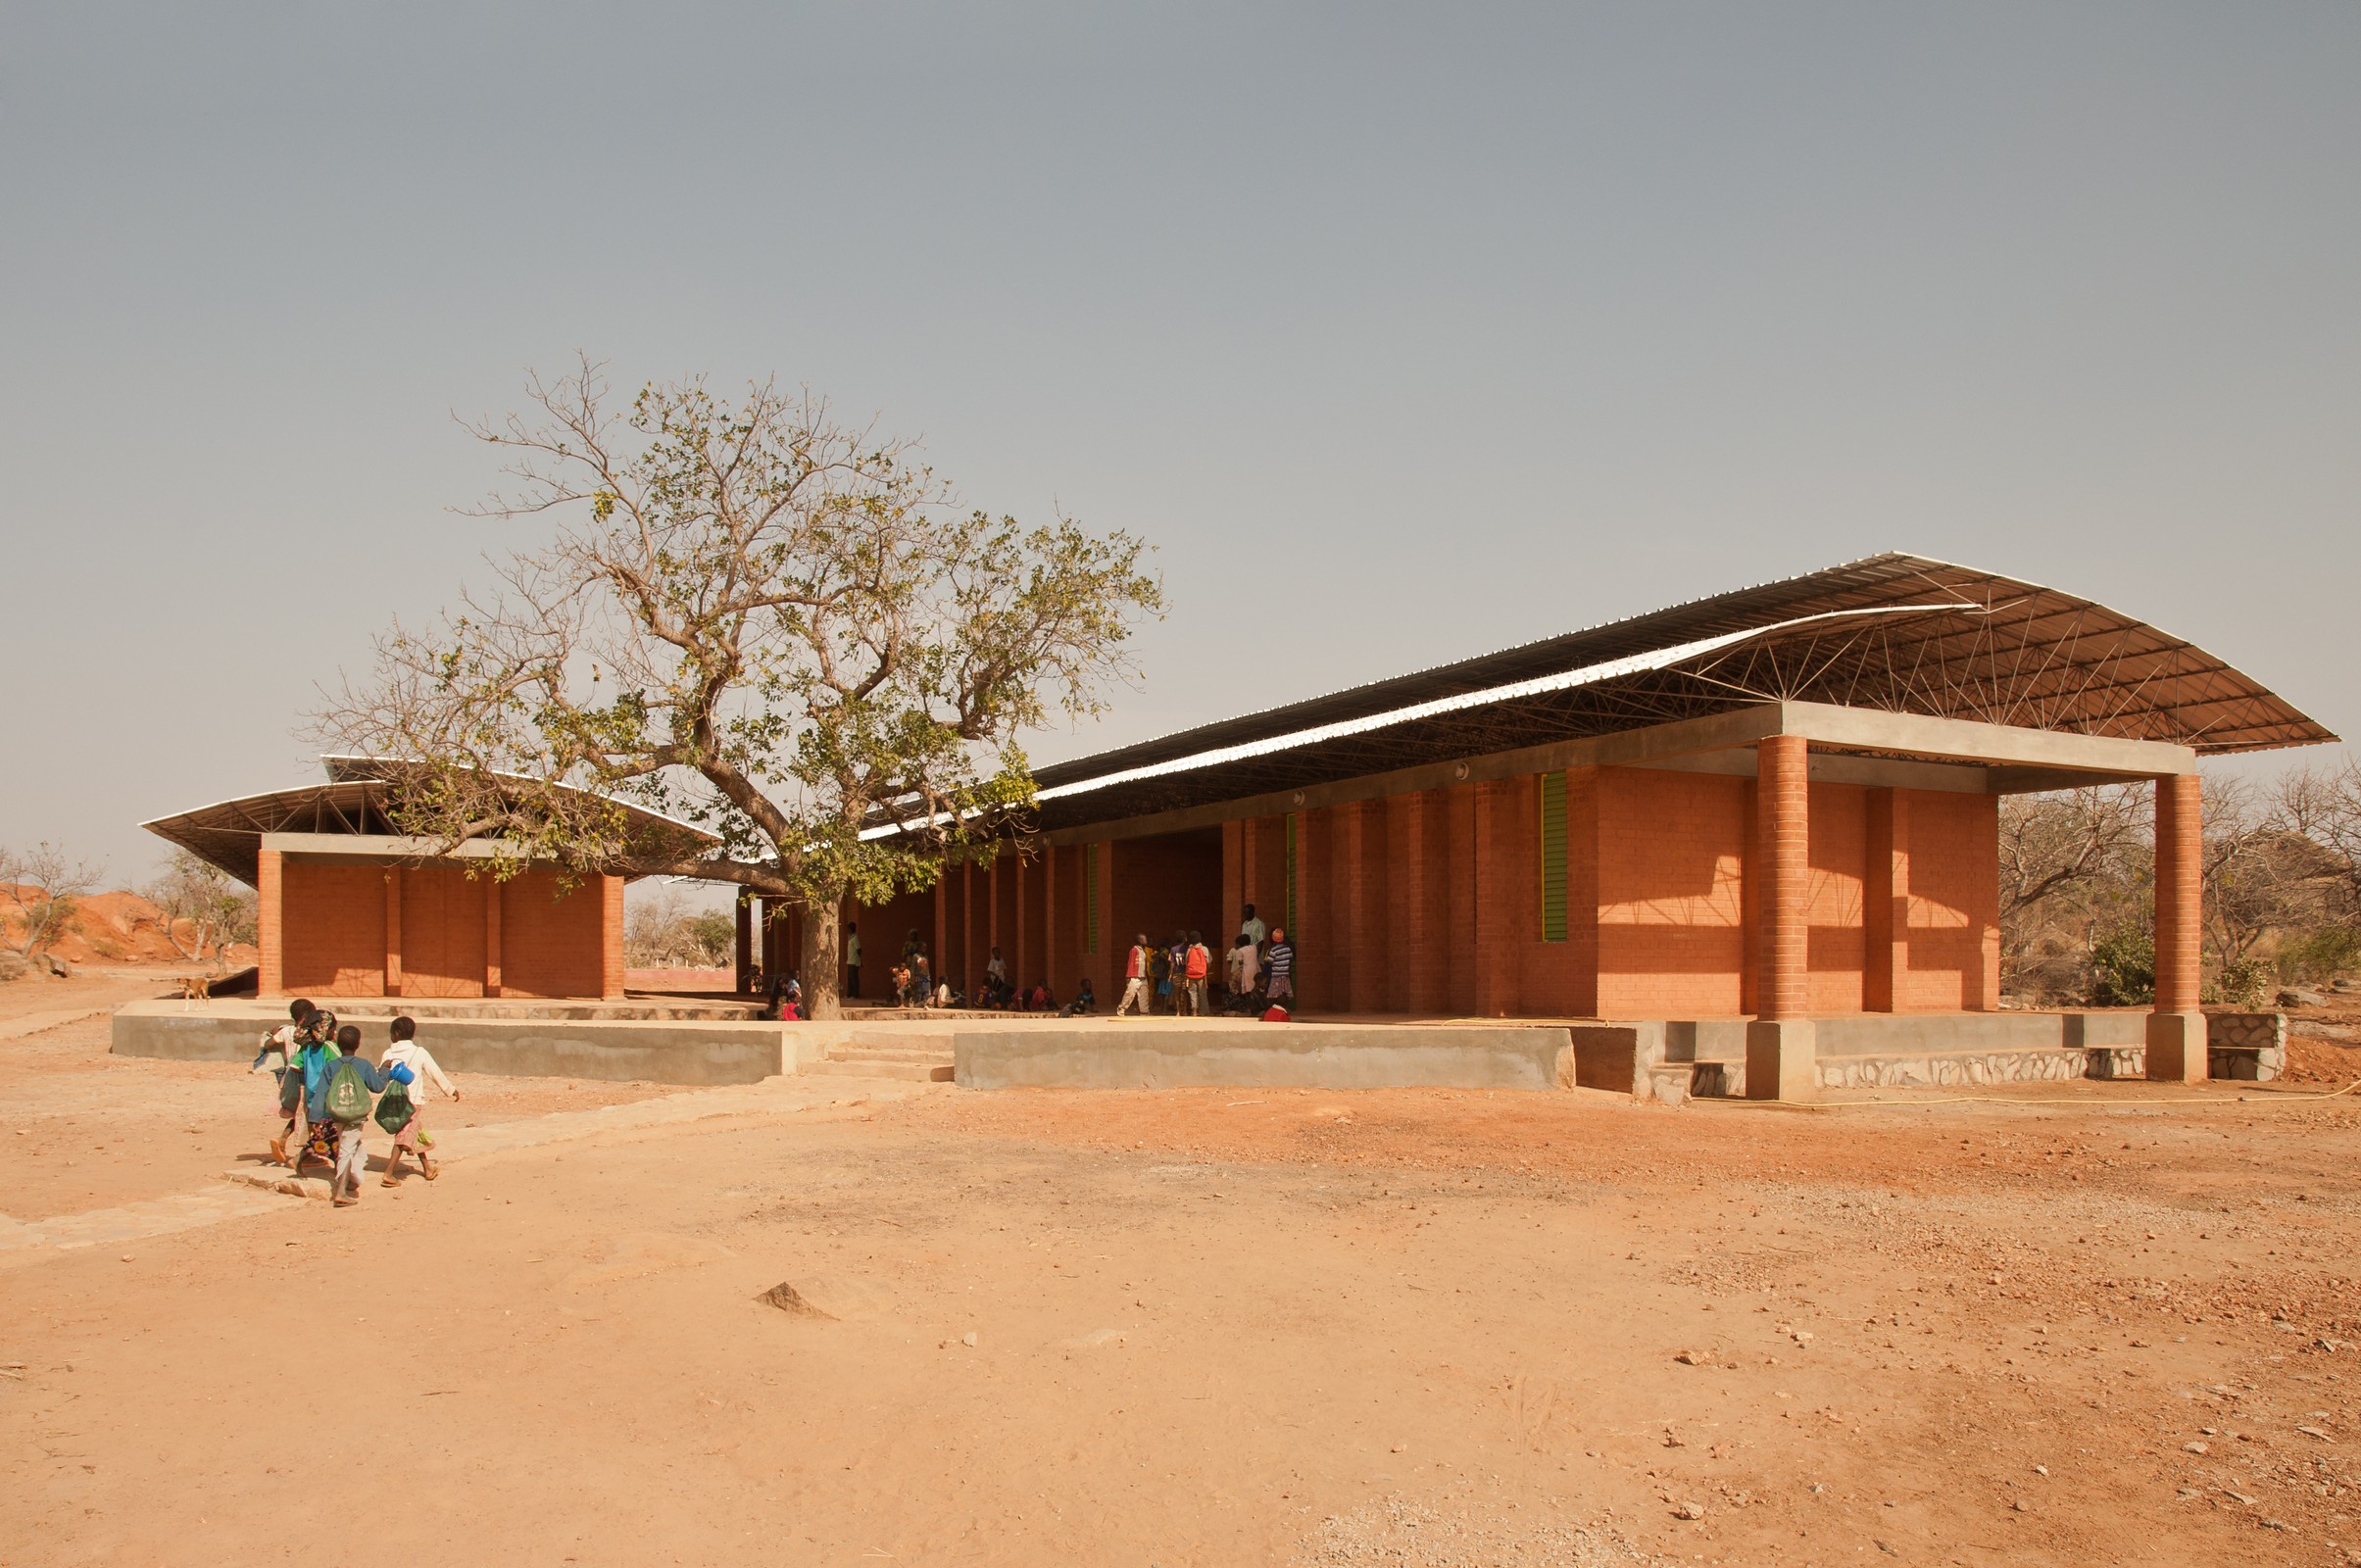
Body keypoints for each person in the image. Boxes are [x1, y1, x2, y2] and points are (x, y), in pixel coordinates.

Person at [377, 1014, 458, 1186]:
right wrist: (450, 1089)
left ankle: (427, 1168)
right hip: (413, 1101)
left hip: (393, 1101)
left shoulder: (388, 1053)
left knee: (414, 1131)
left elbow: (382, 1076)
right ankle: (389, 1173)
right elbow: (434, 1073)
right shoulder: (419, 1052)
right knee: (404, 1136)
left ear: (396, 1034)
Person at [320, 1024, 391, 1207]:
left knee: (353, 1148)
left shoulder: (331, 1066)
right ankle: (341, 1192)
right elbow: (377, 1086)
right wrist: (384, 1070)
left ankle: (352, 1180)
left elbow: (321, 1092)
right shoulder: (364, 1065)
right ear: (358, 1044)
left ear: (336, 1042)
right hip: (355, 1117)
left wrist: (315, 1118)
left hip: (336, 1115)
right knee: (347, 1150)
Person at [257, 998, 317, 1168]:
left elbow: (268, 1043)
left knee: (301, 1112)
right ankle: (308, 1153)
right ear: (307, 1016)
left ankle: (282, 1139)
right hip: (305, 1076)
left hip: (289, 1077)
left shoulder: (287, 1031)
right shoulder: (310, 1034)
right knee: (308, 1113)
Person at [289, 1009, 343, 1173]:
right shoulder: (329, 1047)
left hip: (312, 1096)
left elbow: (295, 1066)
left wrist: (310, 1074)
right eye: (334, 1028)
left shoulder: (305, 1048)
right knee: (334, 1132)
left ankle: (336, 1165)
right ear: (327, 1029)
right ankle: (302, 1158)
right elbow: (342, 1065)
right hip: (328, 1097)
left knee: (324, 1132)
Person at [1115, 934, 1153, 1016]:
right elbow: (1131, 963)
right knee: (1130, 994)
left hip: (1143, 977)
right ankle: (1121, 1009)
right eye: (1144, 939)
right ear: (1140, 941)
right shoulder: (1134, 950)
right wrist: (1128, 976)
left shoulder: (1143, 951)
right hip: (1134, 977)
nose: (1146, 940)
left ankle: (1144, 1011)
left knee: (1144, 996)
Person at [1265, 927, 1297, 1007]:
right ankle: (1285, 1008)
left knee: (1274, 995)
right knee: (1285, 994)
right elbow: (1291, 958)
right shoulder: (1288, 949)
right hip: (1285, 975)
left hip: (1276, 976)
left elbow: (1269, 962)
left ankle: (1274, 1009)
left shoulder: (1273, 950)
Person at [1182, 930, 1211, 1016]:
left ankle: (1194, 1011)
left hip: (1191, 974)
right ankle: (1203, 1011)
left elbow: (1186, 962)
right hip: (1202, 974)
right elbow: (1209, 961)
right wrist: (1206, 970)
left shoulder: (1189, 949)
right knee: (1202, 993)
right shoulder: (1204, 949)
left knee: (1192, 992)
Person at [844, 921, 862, 1000]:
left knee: (854, 979)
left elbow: (859, 949)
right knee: (850, 979)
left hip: (854, 962)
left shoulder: (855, 938)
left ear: (851, 929)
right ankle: (849, 994)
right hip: (850, 961)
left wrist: (859, 960)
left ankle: (855, 995)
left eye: (848, 928)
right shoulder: (850, 937)